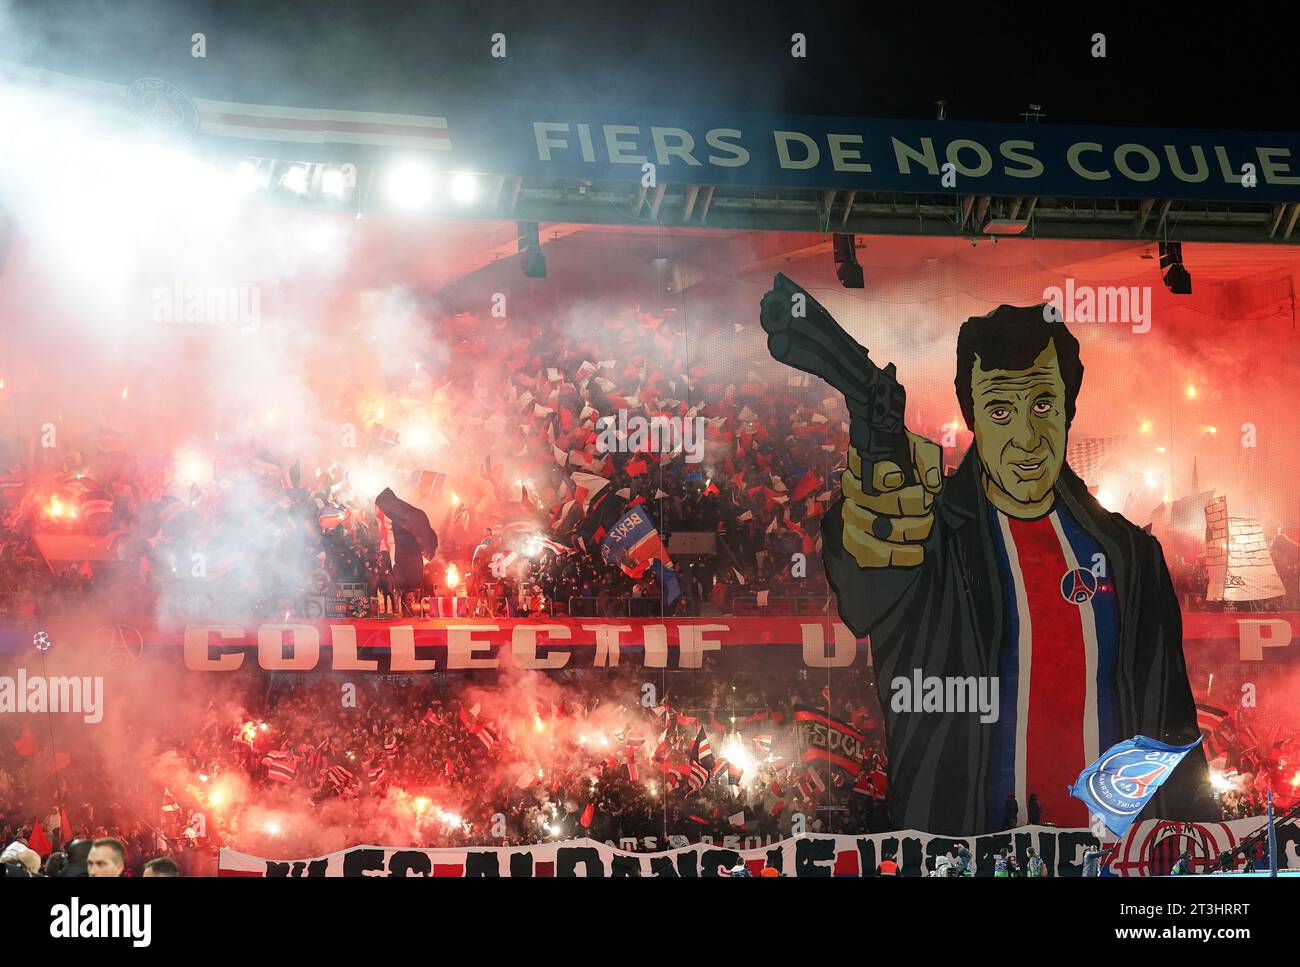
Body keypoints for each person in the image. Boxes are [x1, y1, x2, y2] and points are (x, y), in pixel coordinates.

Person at [819, 298, 1216, 834]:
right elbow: (867, 579)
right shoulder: (929, 538)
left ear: (1070, 406)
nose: (1028, 439)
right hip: (965, 862)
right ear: (973, 417)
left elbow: (1172, 725)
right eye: (1002, 410)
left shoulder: (1131, 557)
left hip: (1113, 865)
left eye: (1044, 405)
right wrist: (866, 498)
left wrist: (1193, 849)